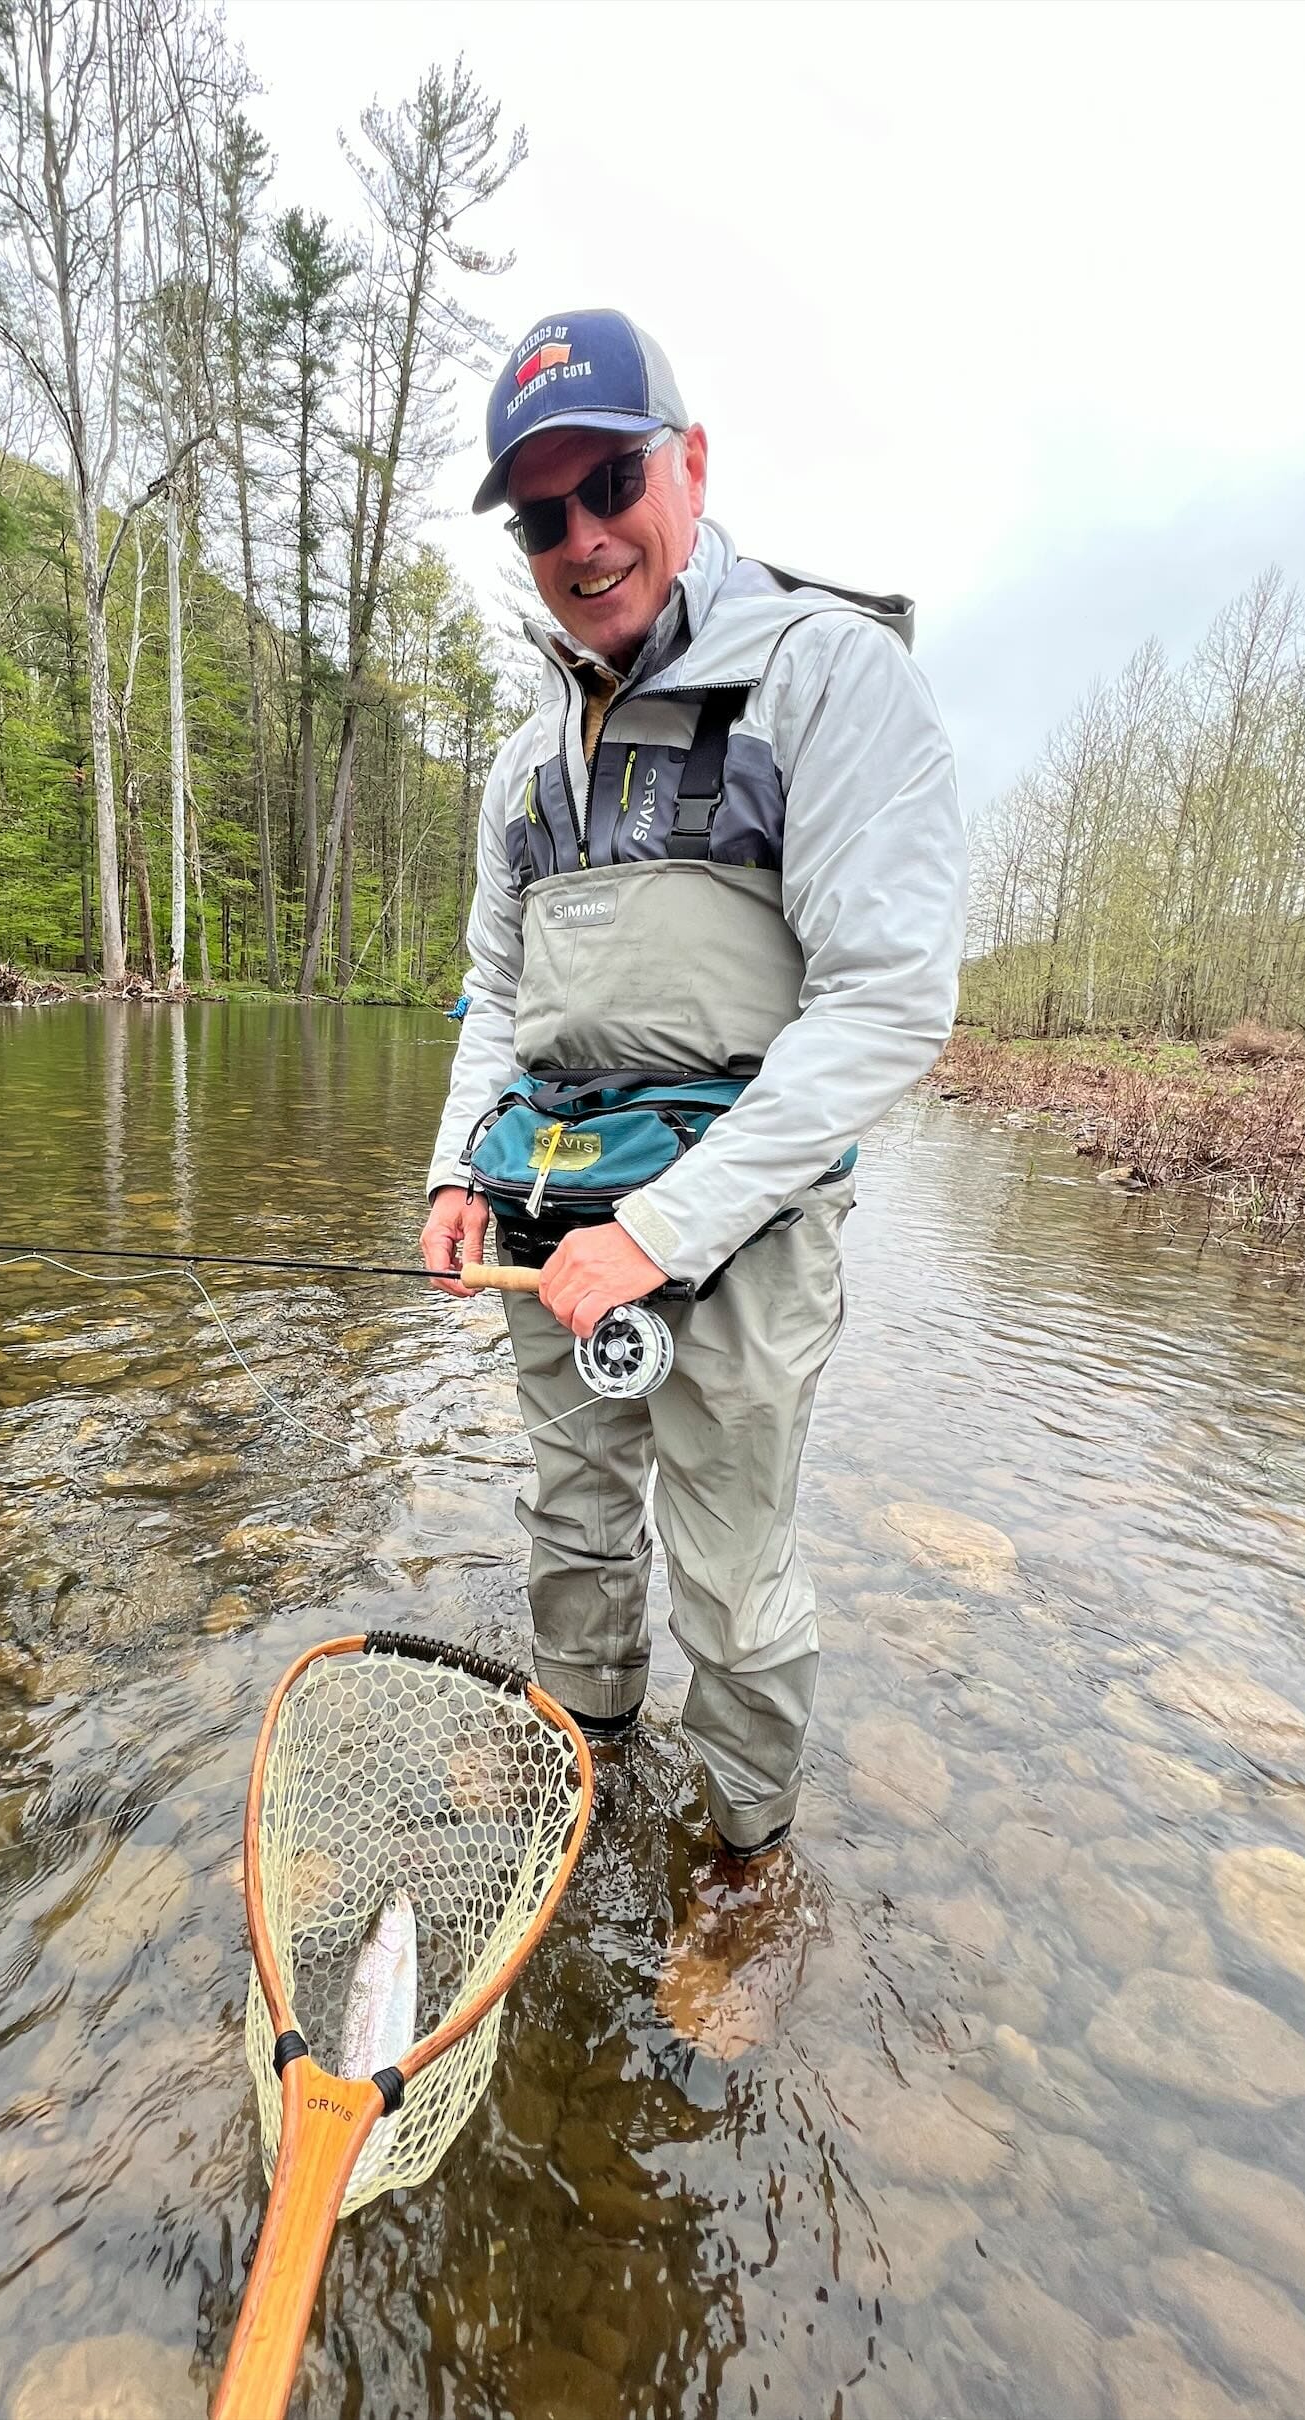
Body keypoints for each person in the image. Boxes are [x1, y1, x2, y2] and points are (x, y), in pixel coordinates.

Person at [420, 311, 965, 1931]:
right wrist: (457, 1170)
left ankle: (743, 1865)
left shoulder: (829, 679)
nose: (584, 538)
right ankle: (580, 1756)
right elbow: (492, 992)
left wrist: (663, 1232)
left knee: (729, 1574)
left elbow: (884, 1006)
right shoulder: (525, 760)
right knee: (571, 1519)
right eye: (543, 515)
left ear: (691, 463)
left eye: (611, 482)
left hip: (737, 1227)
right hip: (548, 1209)